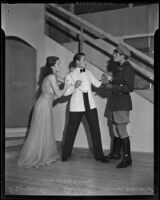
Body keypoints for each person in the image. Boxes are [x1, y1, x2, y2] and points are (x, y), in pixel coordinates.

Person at [17, 56, 70, 168]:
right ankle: (38, 156)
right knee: (40, 131)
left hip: (44, 105)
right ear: (53, 66)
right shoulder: (51, 76)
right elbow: (59, 94)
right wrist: (67, 86)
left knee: (43, 131)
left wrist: (70, 82)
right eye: (58, 64)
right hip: (43, 106)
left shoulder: (52, 76)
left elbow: (54, 97)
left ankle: (42, 155)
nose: (59, 66)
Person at [61, 52, 109, 163]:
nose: (86, 62)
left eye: (86, 60)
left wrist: (105, 81)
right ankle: (65, 154)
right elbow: (66, 93)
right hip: (76, 105)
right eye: (84, 60)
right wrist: (74, 86)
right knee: (71, 130)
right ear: (77, 61)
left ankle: (99, 155)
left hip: (90, 104)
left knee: (95, 129)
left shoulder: (88, 73)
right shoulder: (70, 76)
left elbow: (97, 84)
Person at [102, 44, 135, 168]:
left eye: (116, 53)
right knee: (115, 128)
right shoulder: (120, 67)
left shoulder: (128, 68)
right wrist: (109, 81)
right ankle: (116, 153)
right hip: (116, 102)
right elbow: (119, 82)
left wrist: (112, 87)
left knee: (121, 129)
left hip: (122, 103)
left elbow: (130, 87)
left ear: (122, 56)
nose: (113, 55)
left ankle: (127, 158)